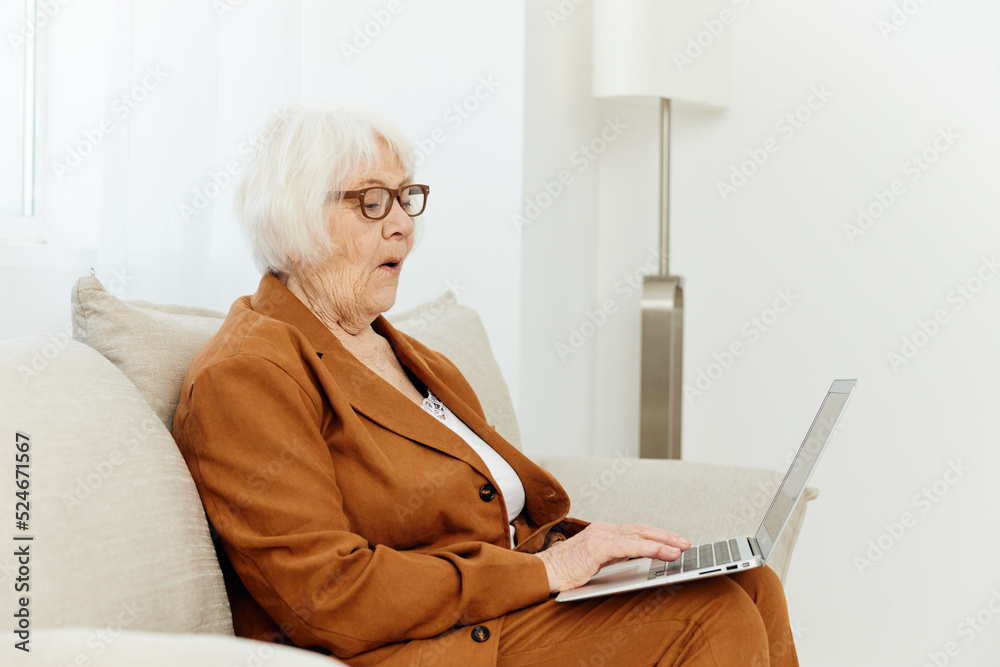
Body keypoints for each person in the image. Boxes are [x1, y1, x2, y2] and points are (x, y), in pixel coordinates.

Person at [172, 104, 799, 666]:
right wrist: (547, 572)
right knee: (706, 616)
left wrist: (610, 561)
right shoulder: (245, 375)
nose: (402, 227)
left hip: (499, 614)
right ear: (297, 220)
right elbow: (326, 595)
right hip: (418, 649)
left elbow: (500, 519)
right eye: (372, 203)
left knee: (751, 584)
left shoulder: (411, 356)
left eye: (405, 197)